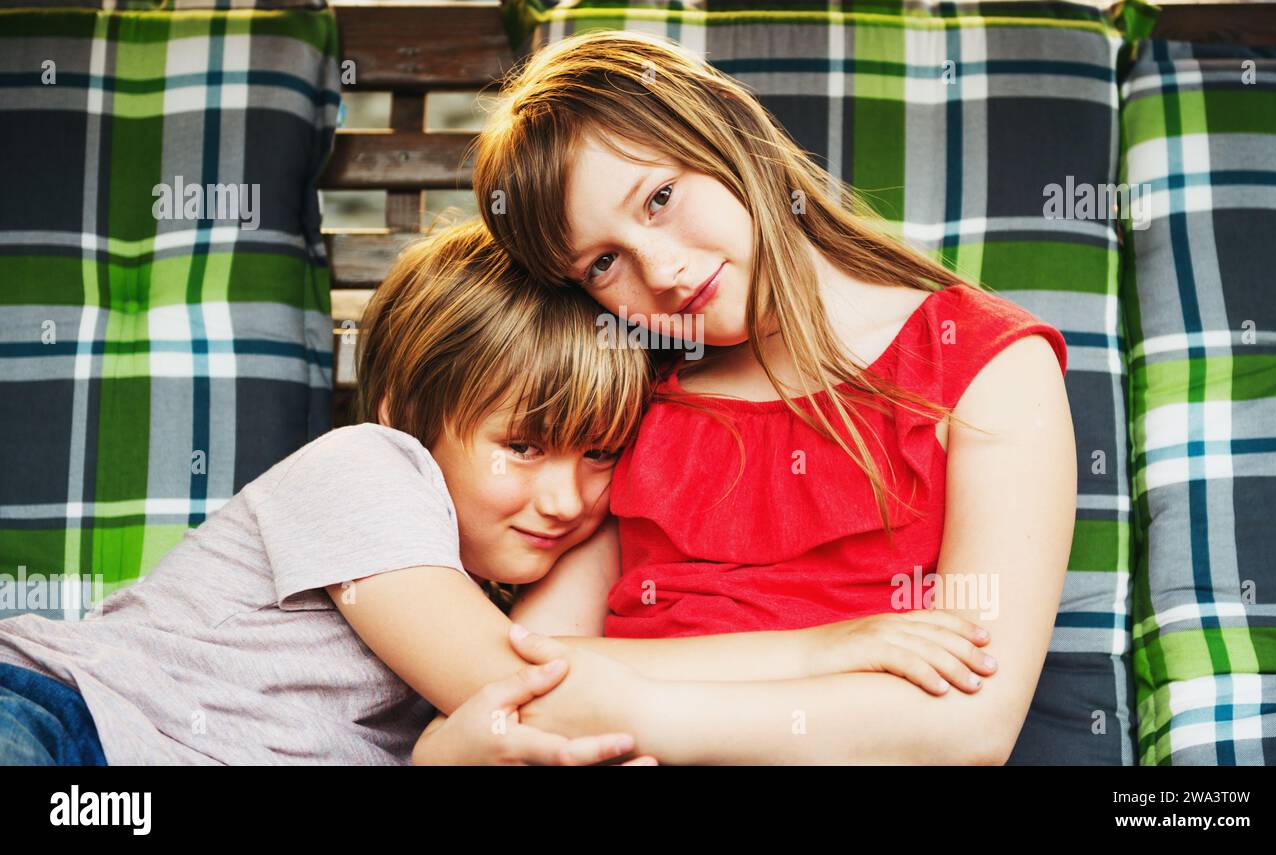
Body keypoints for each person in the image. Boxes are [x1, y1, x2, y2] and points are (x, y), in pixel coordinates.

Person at [0, 218, 988, 766]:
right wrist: (826, 651)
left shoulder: (481, 592)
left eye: (600, 455)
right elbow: (531, 685)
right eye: (523, 446)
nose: (565, 497)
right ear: (404, 410)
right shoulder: (367, 470)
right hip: (59, 717)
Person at [461, 27, 1078, 764]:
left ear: (731, 134)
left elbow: (968, 727)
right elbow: (538, 668)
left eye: (659, 197)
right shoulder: (630, 394)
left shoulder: (988, 368)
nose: (660, 269)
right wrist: (819, 656)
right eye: (602, 263)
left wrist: (640, 706)